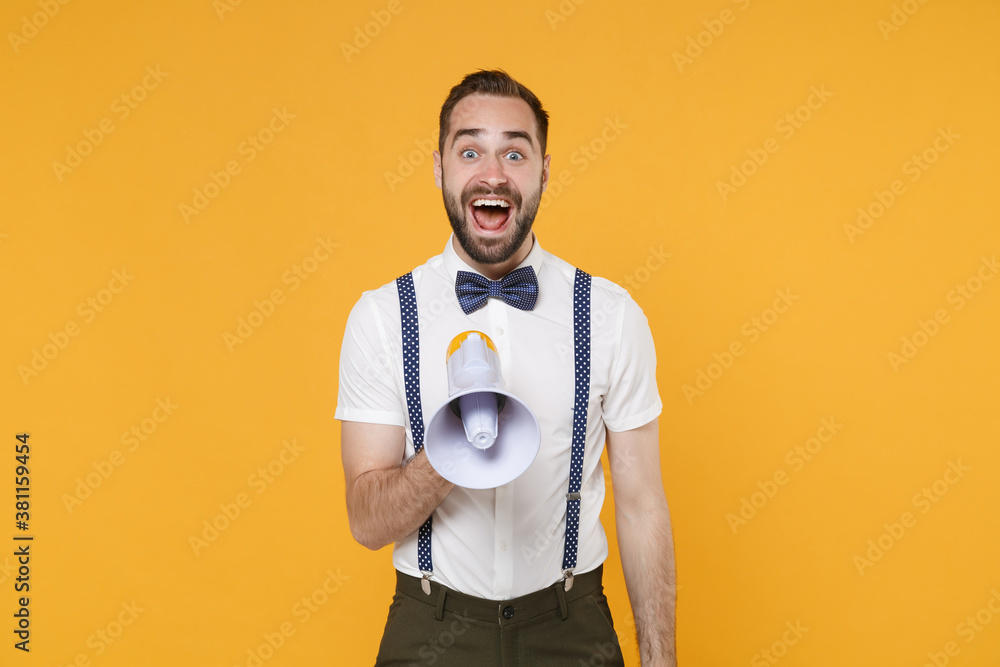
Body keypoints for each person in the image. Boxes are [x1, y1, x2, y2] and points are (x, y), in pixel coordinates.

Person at [337, 69, 677, 666]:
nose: (492, 174)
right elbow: (368, 522)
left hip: (572, 629)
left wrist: (662, 660)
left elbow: (642, 503)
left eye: (514, 153)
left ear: (543, 170)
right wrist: (452, 450)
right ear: (440, 168)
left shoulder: (610, 316)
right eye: (470, 151)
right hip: (430, 631)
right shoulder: (383, 317)